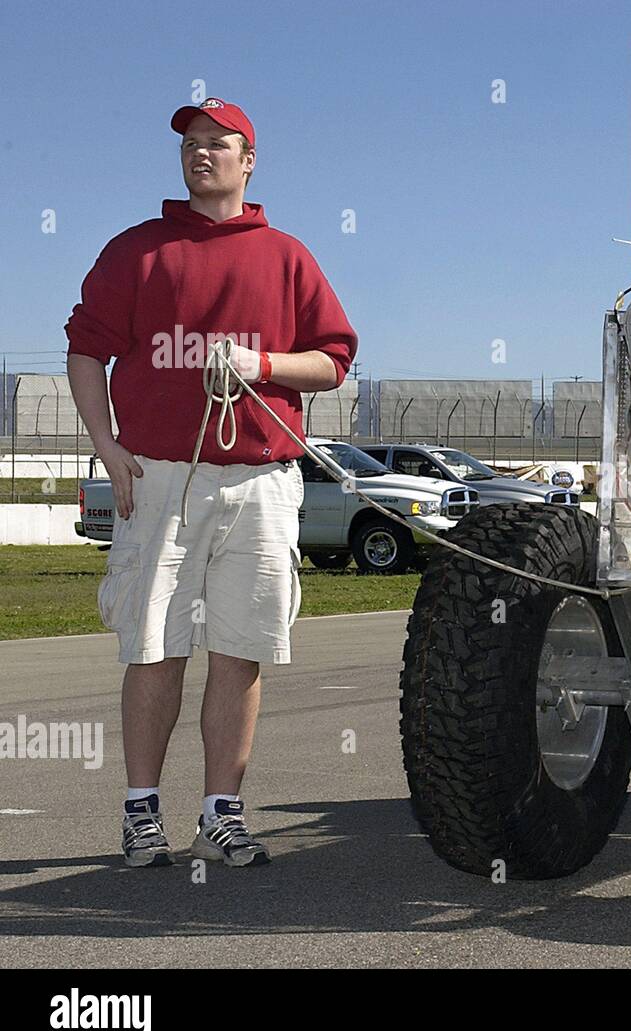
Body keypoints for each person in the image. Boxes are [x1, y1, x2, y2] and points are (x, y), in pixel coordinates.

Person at [65, 97, 358, 868]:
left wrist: (261, 364)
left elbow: (332, 360)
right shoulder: (138, 250)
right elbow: (86, 350)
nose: (202, 154)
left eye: (218, 144)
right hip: (162, 478)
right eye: (191, 144)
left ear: (248, 159)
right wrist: (108, 448)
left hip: (261, 478)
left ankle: (222, 812)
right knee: (155, 646)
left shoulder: (286, 255)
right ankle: (140, 812)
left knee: (240, 648)